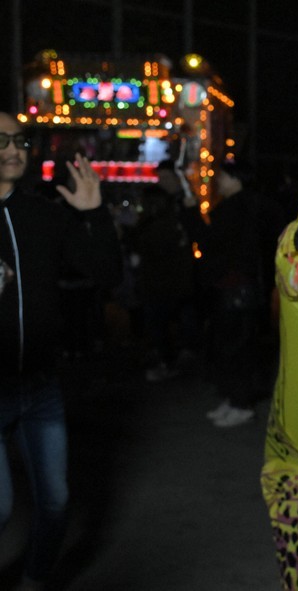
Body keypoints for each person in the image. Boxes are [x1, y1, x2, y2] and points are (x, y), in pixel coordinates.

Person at [0, 112, 122, 591]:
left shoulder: (43, 214)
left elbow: (108, 275)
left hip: (42, 389)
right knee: (3, 507)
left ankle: (32, 581)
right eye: (1, 140)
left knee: (55, 501)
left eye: (19, 139)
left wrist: (93, 212)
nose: (13, 148)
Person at [181, 159, 281, 427]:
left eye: (223, 177)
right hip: (241, 288)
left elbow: (210, 243)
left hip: (235, 289)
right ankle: (234, 399)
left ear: (237, 179)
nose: (220, 182)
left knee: (235, 347)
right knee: (232, 345)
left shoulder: (238, 209)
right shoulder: (251, 206)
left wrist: (192, 215)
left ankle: (240, 403)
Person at [128, 160, 197, 382]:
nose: (164, 182)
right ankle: (171, 358)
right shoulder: (160, 216)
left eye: (167, 178)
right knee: (161, 322)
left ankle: (171, 359)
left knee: (162, 322)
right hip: (169, 280)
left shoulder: (178, 207)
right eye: (161, 178)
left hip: (168, 280)